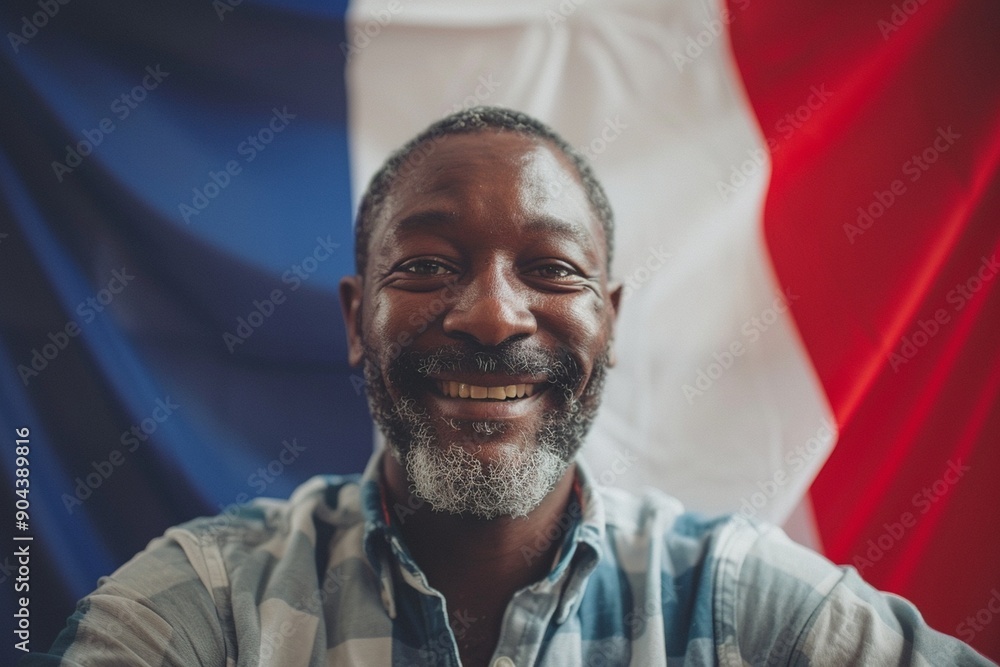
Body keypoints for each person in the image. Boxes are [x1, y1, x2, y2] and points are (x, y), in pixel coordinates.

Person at [26, 107, 994, 667]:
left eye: (552, 270)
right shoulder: (206, 606)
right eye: (428, 265)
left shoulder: (734, 603)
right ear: (356, 320)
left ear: (607, 322)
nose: (492, 317)